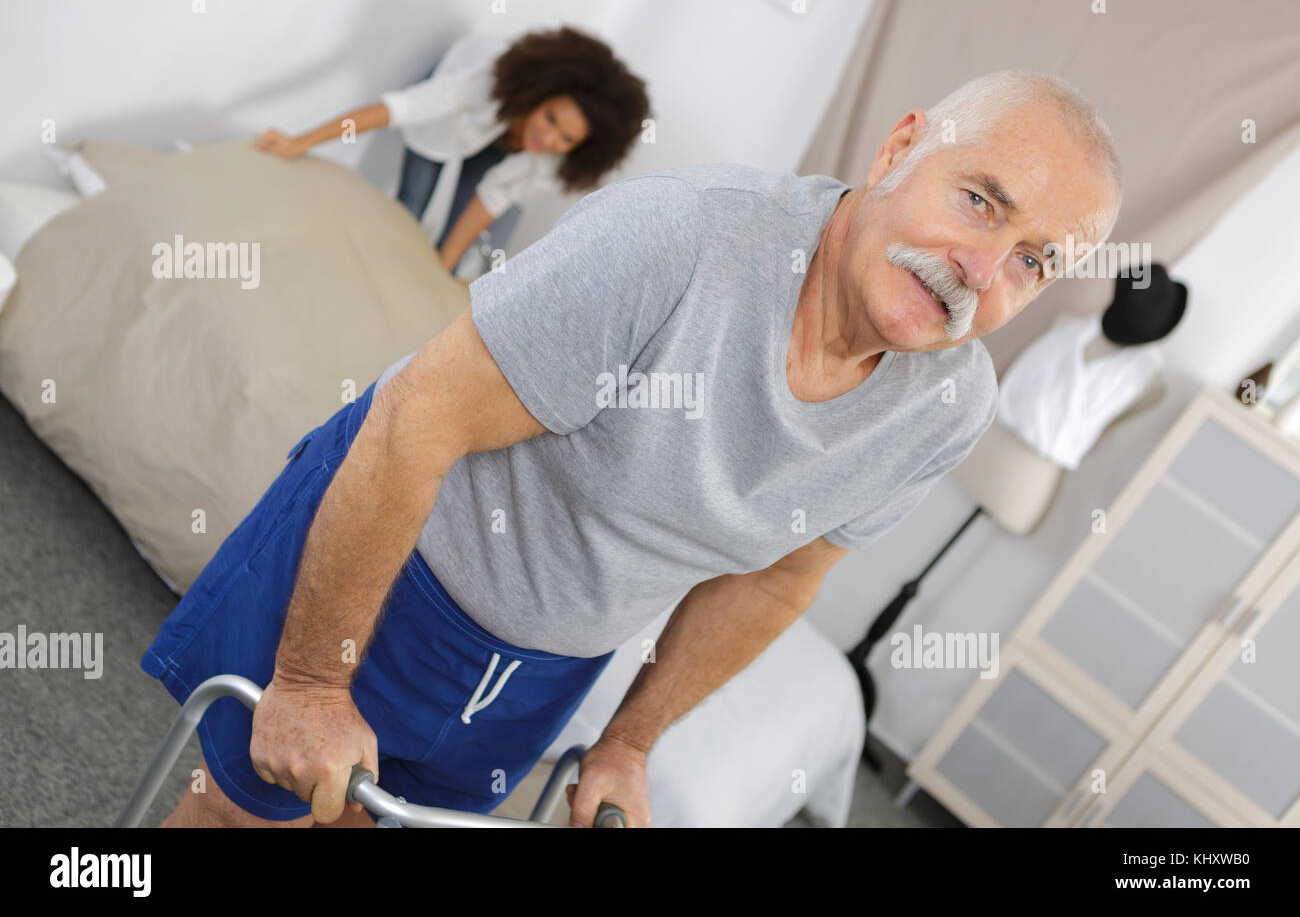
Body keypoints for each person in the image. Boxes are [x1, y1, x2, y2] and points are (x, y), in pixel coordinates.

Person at [142, 70, 1121, 828]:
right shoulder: (681, 240)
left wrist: (629, 742)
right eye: (981, 201)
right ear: (900, 145)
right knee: (238, 809)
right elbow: (415, 420)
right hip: (396, 566)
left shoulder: (948, 405)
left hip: (548, 661)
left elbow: (776, 579)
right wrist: (313, 682)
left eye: (1035, 262)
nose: (981, 269)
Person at [254, 25, 650, 274]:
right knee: (411, 207)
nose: (549, 141)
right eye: (550, 119)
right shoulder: (481, 83)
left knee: (445, 251)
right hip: (451, 116)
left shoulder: (548, 154)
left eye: (567, 138)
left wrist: (440, 277)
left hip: (499, 141)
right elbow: (396, 109)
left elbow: (490, 199)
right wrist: (299, 142)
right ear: (541, 93)